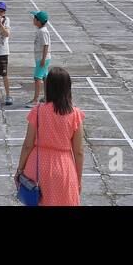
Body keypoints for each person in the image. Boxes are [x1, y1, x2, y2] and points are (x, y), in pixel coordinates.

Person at [14, 66, 85, 206]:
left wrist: (20, 169)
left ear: (48, 87)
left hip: (37, 166)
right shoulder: (75, 114)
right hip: (63, 168)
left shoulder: (38, 111)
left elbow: (28, 144)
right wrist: (78, 179)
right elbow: (78, 152)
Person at [29, 10, 52, 108]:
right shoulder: (41, 30)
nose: (33, 19)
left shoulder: (43, 31)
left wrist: (43, 59)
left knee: (37, 78)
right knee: (44, 77)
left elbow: (46, 45)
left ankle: (35, 100)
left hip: (42, 58)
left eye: (35, 18)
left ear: (38, 21)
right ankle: (47, 97)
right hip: (42, 57)